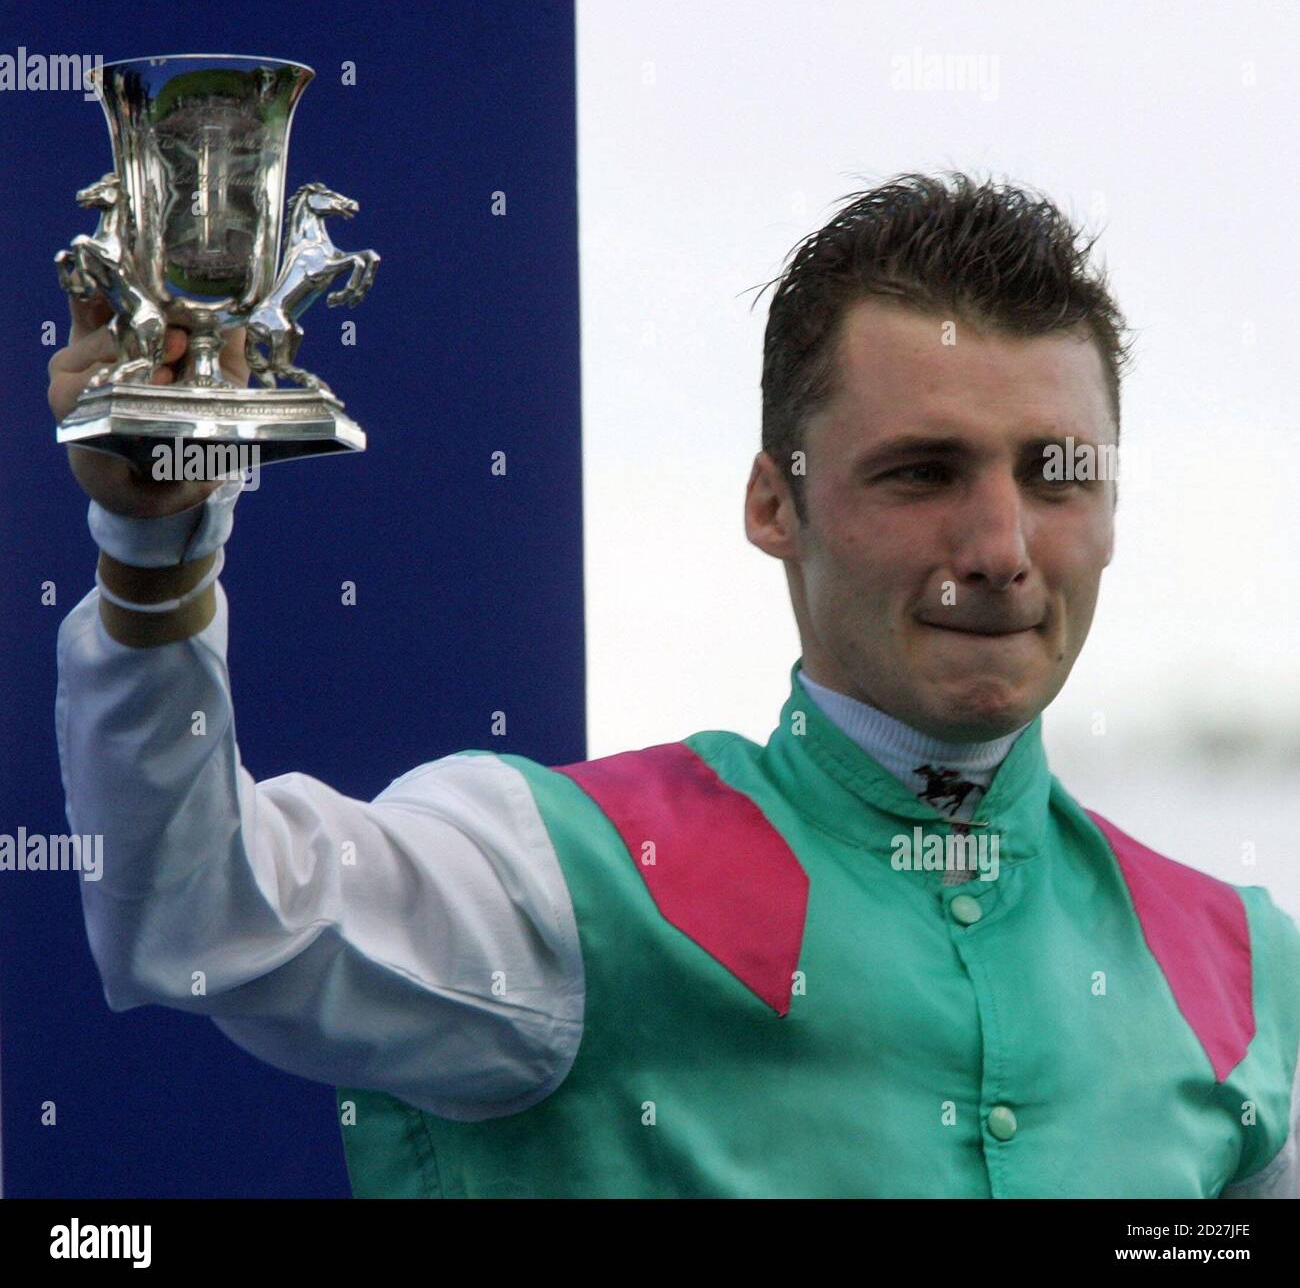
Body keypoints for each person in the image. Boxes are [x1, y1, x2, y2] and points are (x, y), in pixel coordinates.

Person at [51, 171, 1299, 1198]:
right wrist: (155, 553)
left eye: (1055, 474)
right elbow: (198, 918)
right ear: (775, 504)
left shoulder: (1246, 966)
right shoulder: (562, 876)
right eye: (923, 472)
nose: (1000, 547)